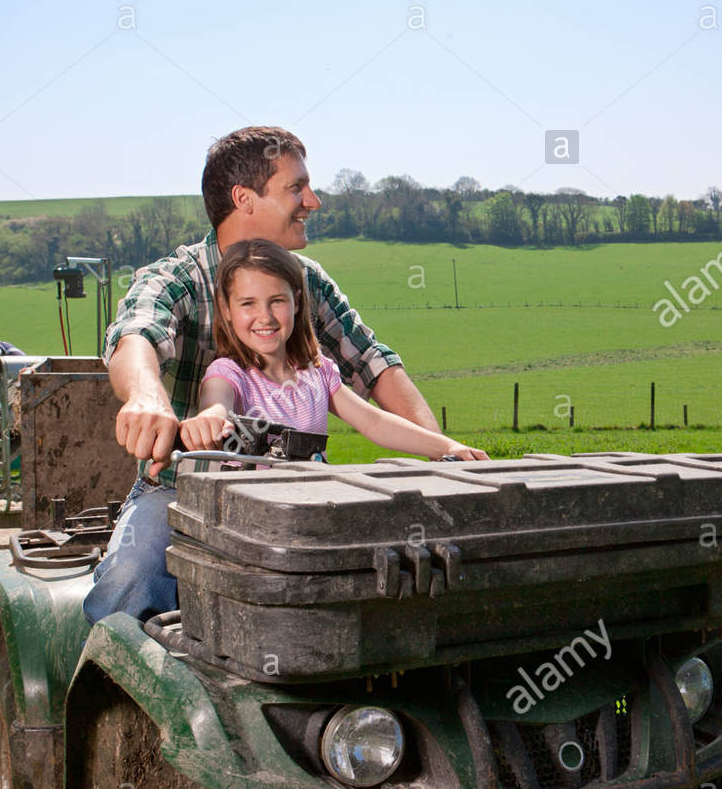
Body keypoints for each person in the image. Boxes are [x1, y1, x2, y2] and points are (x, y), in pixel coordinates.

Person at [84, 126, 445, 625]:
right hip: (183, 490)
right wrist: (146, 397)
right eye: (296, 187)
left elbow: (372, 364)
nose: (313, 201)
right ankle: (116, 696)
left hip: (297, 493)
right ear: (244, 199)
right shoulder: (179, 277)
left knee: (401, 570)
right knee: (134, 579)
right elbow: (136, 335)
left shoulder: (307, 280)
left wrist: (444, 457)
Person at [174, 239, 488, 468]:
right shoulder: (229, 373)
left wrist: (446, 445)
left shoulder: (319, 371)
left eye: (277, 301)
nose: (265, 316)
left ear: (297, 301)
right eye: (248, 304)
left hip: (316, 507)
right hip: (255, 520)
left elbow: (374, 423)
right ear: (227, 310)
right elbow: (215, 404)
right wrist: (210, 419)